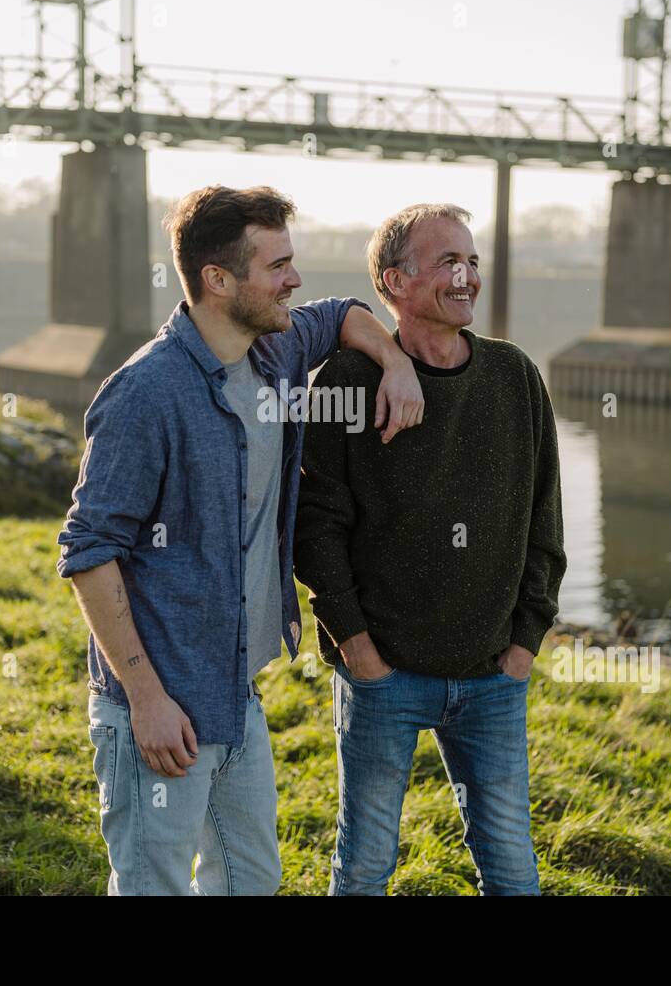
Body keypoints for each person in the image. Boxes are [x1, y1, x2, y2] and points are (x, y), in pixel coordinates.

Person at [57, 185, 424, 895]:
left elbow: (344, 313)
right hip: (159, 702)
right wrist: (145, 697)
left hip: (234, 691)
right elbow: (89, 551)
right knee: (152, 884)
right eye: (278, 265)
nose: (293, 279)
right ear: (218, 281)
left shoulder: (275, 349)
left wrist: (397, 360)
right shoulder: (145, 393)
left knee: (251, 879)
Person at [295, 202, 566, 896]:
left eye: (472, 260)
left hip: (492, 678)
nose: (467, 275)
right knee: (364, 865)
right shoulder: (348, 385)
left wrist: (524, 643)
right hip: (383, 674)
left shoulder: (515, 378)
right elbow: (314, 526)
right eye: (448, 261)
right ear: (394, 281)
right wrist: (357, 647)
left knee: (512, 864)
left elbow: (545, 517)